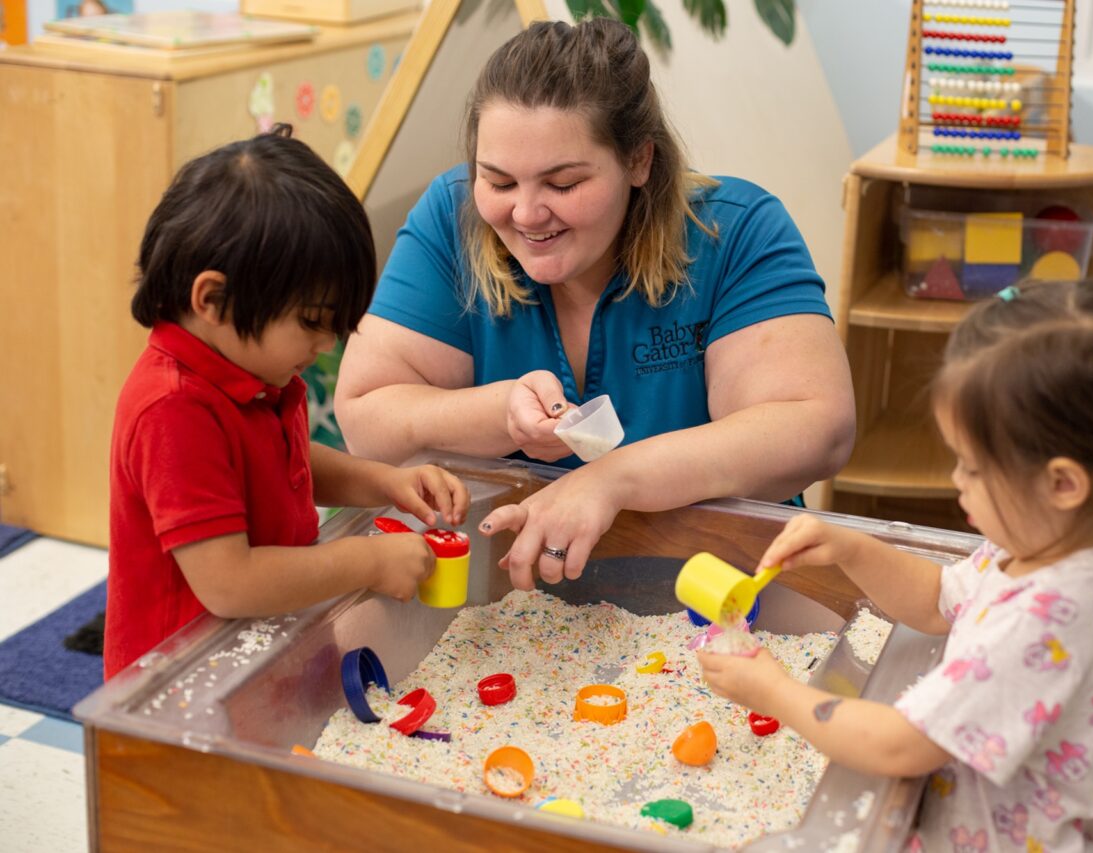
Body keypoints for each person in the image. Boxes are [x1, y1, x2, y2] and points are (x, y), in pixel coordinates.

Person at [698, 280, 1093, 850]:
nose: (956, 480)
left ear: (1063, 484)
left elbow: (899, 745)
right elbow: (940, 599)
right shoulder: (1048, 544)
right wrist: (852, 548)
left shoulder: (1045, 619)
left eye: (972, 467)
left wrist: (773, 691)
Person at [334, 19, 855, 592]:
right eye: (499, 183)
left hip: (722, 586)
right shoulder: (450, 218)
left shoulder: (734, 231)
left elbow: (815, 429)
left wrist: (613, 480)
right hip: (515, 589)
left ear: (639, 161)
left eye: (562, 184)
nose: (527, 214)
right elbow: (366, 423)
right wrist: (500, 413)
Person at [106, 125, 470, 679]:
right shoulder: (173, 409)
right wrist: (367, 561)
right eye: (311, 322)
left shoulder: (250, 368)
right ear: (213, 299)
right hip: (184, 684)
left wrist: (385, 482)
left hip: (265, 650)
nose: (325, 345)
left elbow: (285, 463)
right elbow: (230, 583)